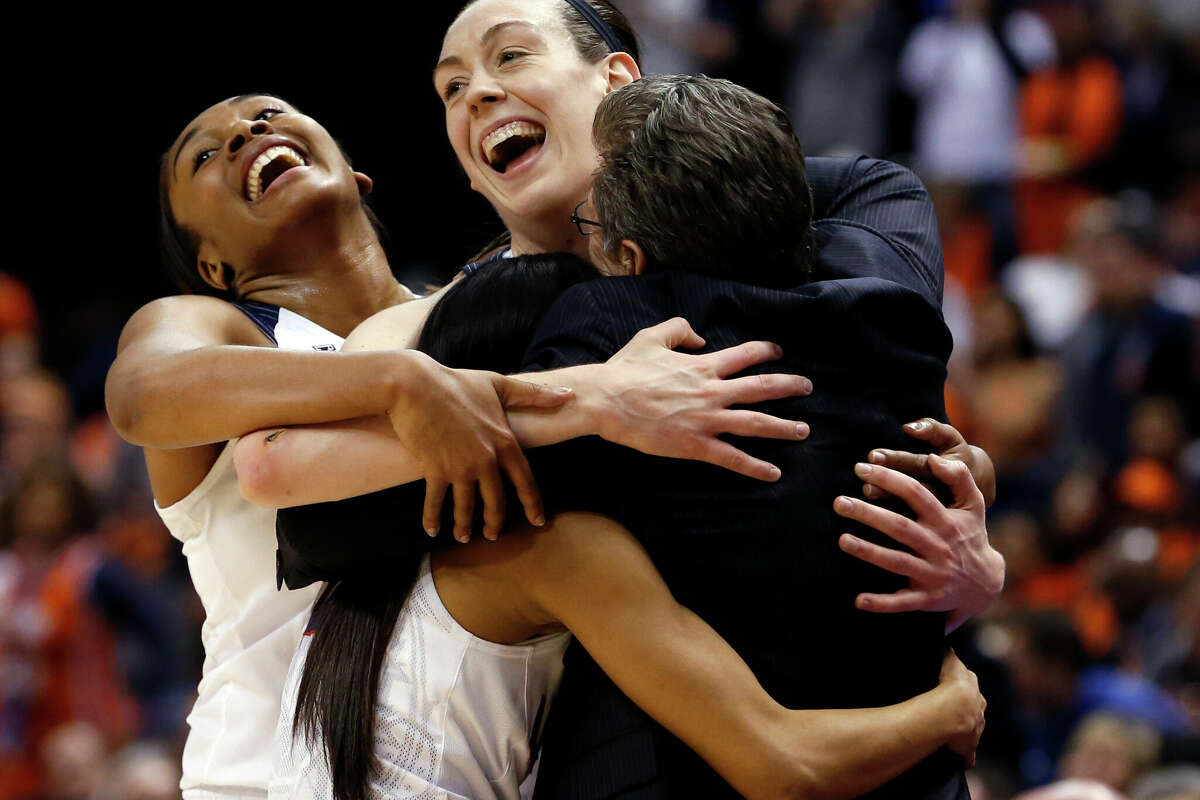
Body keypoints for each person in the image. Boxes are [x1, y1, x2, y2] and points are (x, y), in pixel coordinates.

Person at [242, 68, 1000, 799]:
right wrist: (700, 160)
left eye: (591, 214)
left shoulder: (610, 331)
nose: (481, 91)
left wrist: (588, 397)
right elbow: (867, 179)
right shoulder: (890, 280)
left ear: (629, 260)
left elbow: (320, 527)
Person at [106, 89, 825, 800]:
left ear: (355, 174)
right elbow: (140, 395)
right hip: (263, 776)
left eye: (268, 113)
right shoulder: (218, 329)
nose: (245, 133)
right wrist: (400, 381)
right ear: (212, 266)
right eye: (206, 155)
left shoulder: (482, 307)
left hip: (502, 753)